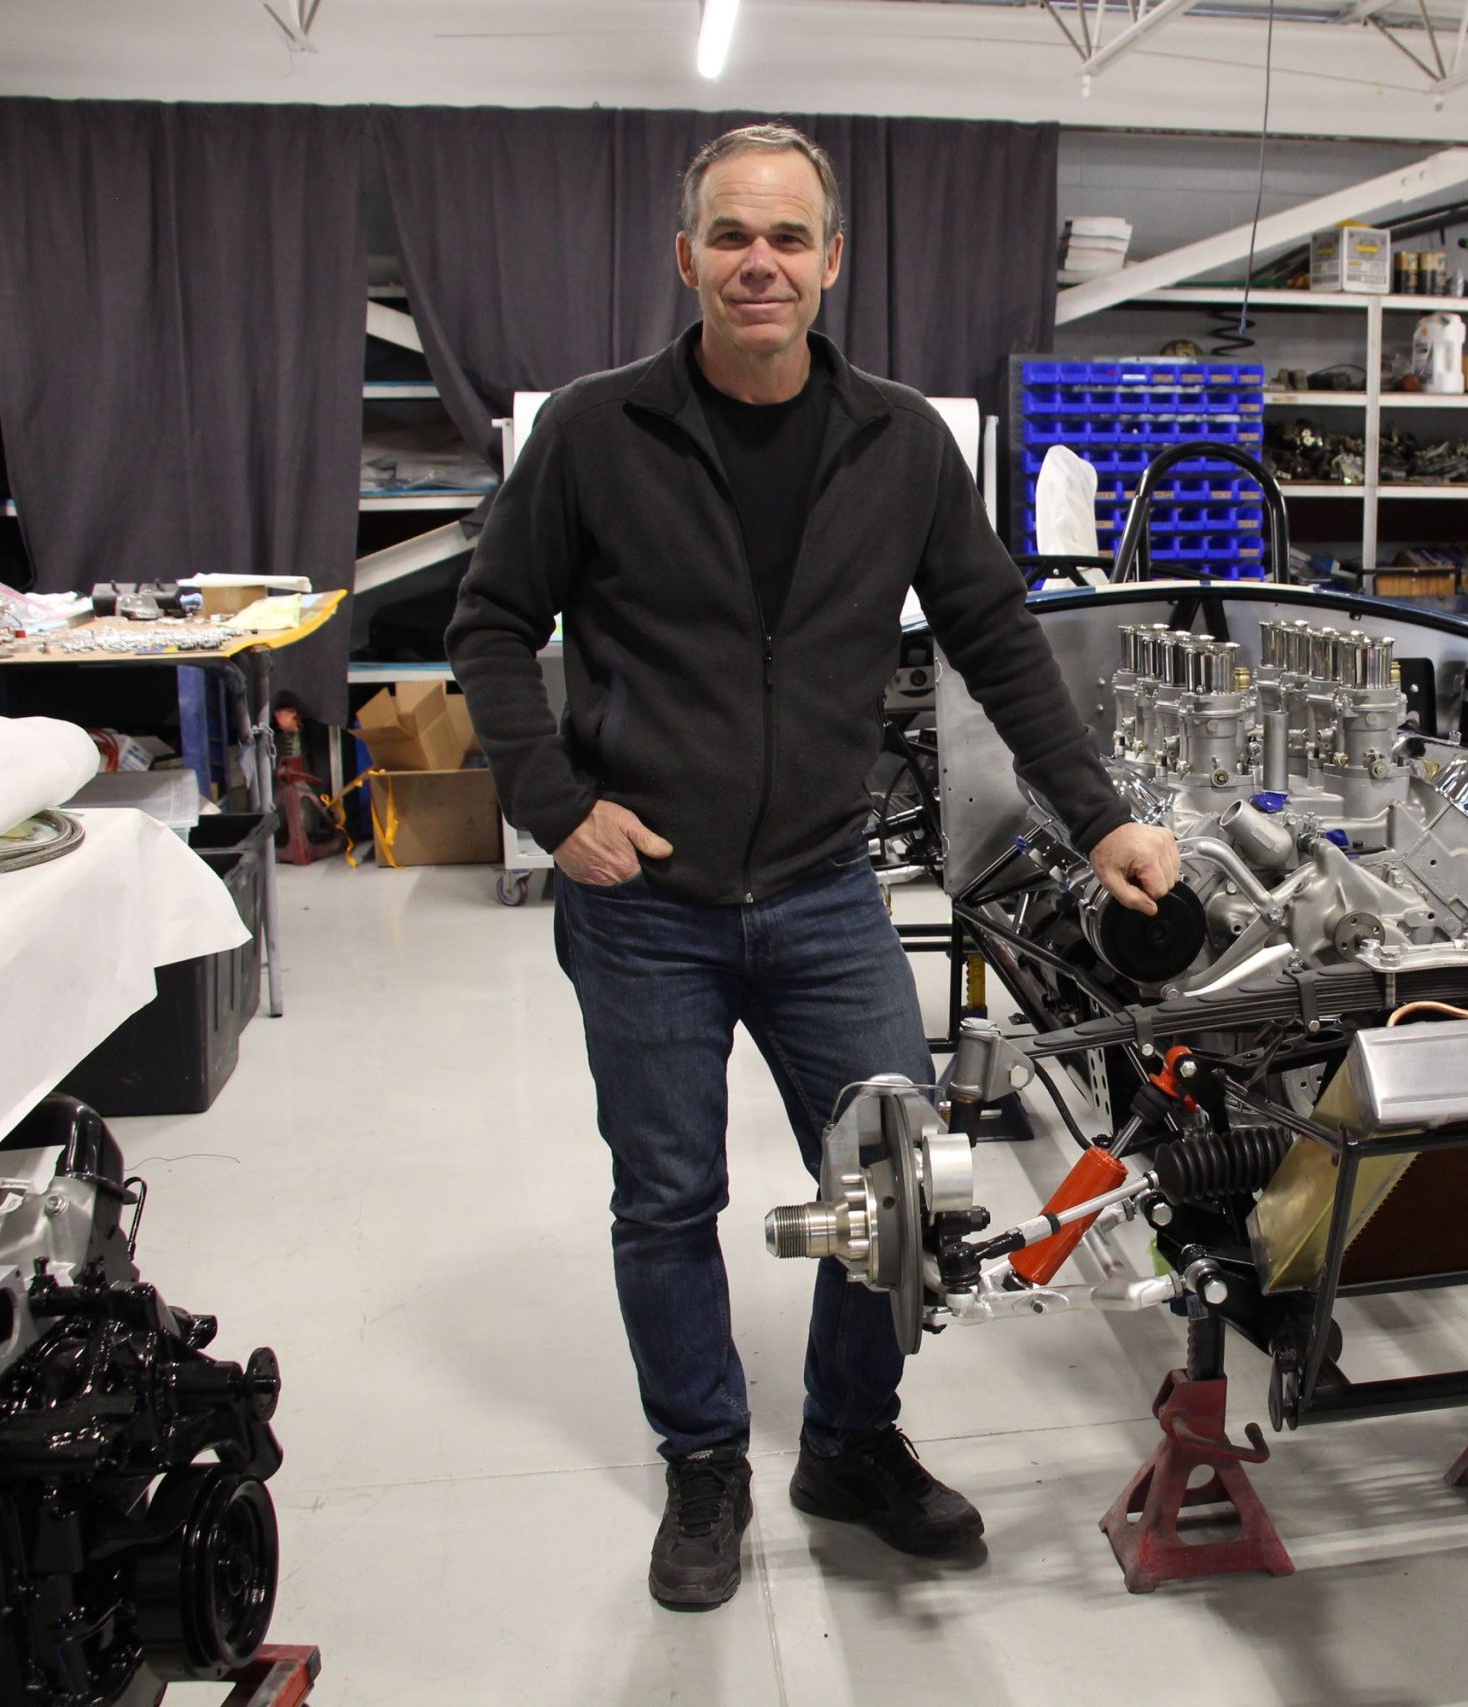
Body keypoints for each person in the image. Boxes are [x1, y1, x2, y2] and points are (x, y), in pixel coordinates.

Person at [447, 122, 1179, 1611]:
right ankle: (704, 1463)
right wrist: (550, 803)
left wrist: (1100, 818)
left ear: (833, 260)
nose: (760, 262)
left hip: (824, 888)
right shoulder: (593, 432)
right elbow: (488, 625)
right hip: (641, 899)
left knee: (903, 1179)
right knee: (665, 1198)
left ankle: (849, 1440)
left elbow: (994, 641)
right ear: (687, 257)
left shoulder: (901, 442)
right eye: (732, 235)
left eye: (789, 238)